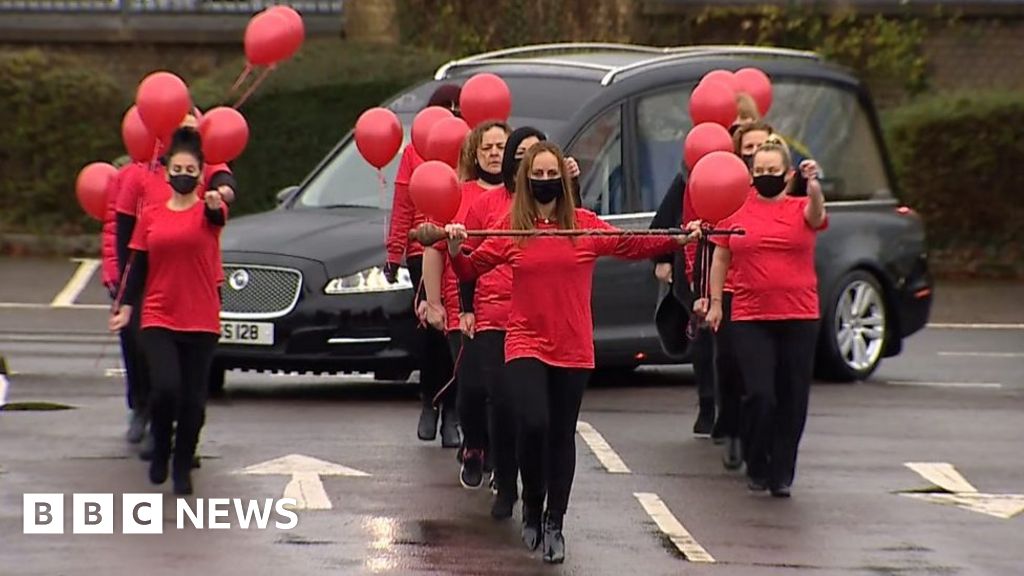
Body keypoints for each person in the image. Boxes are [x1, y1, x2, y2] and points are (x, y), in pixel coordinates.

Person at [444, 142, 701, 564]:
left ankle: (554, 522)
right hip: (525, 341)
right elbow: (470, 268)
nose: (545, 182)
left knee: (561, 434)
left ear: (563, 181)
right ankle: (531, 504)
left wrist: (679, 236)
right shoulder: (513, 229)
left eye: (551, 175)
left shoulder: (583, 226)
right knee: (533, 422)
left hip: (572, 346)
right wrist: (455, 246)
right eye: (537, 175)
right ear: (526, 181)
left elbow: (635, 243)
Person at [109, 127, 228, 495]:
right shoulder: (152, 216)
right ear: (166, 170)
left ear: (200, 173)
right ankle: (161, 447)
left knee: (194, 401)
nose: (183, 175)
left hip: (201, 316)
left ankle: (182, 464)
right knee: (165, 389)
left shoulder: (210, 212)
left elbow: (218, 217)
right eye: (177, 168)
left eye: (191, 170)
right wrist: (126, 306)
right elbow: (138, 265)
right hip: (159, 314)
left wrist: (214, 202)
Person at [706, 136, 826, 498]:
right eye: (759, 171)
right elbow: (721, 257)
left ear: (787, 174)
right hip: (750, 315)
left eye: (772, 170)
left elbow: (817, 214)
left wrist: (815, 185)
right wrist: (714, 303)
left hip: (799, 315)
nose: (765, 176)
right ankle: (757, 462)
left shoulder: (801, 207)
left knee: (792, 397)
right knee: (760, 394)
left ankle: (782, 472)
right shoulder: (737, 211)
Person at [421, 121, 511, 481]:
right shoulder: (457, 195)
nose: (493, 153)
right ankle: (475, 445)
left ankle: (493, 452)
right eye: (486, 147)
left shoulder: (521, 197)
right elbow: (434, 249)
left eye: (500, 147)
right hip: (464, 311)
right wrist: (433, 302)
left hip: (510, 311)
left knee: (503, 389)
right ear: (475, 153)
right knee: (474, 384)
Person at [384, 84, 462, 446]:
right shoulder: (414, 152)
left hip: (460, 246)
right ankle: (430, 403)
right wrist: (393, 252)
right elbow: (402, 204)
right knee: (432, 333)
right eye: (445, 109)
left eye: (458, 109)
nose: (452, 115)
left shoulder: (470, 151)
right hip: (422, 251)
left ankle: (454, 413)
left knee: (459, 334)